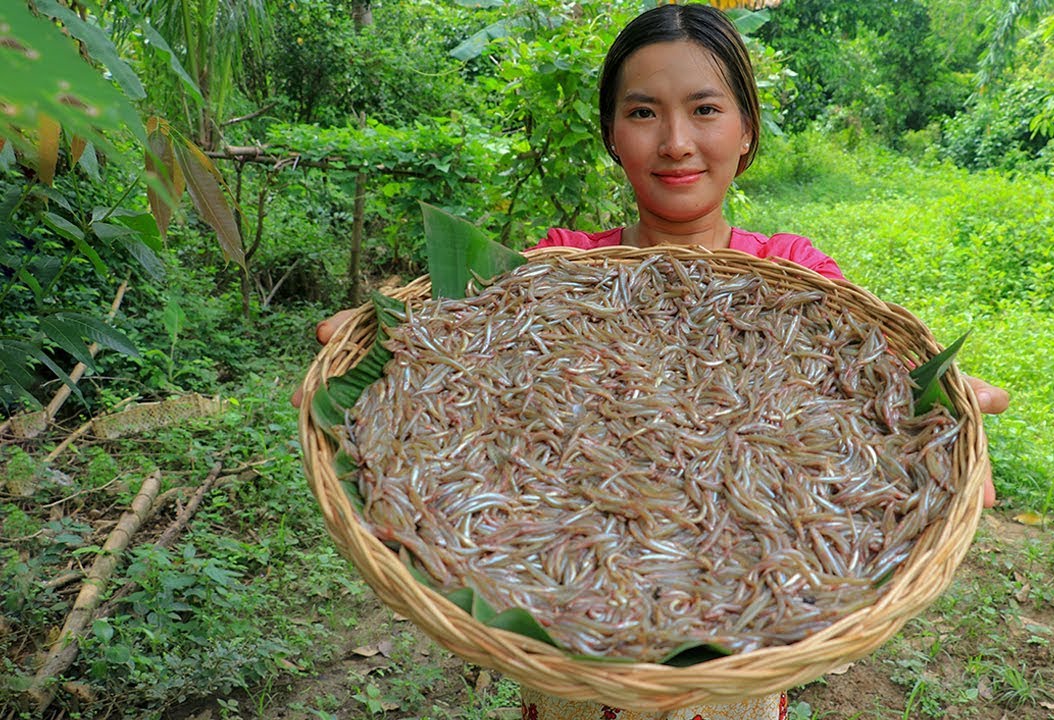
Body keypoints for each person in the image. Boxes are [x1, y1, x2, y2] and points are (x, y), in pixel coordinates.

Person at [295, 5, 1009, 718]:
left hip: (731, 676)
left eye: (704, 109)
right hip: (573, 666)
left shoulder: (798, 278)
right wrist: (382, 346)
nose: (675, 143)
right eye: (643, 113)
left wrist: (940, 413)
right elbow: (467, 357)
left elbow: (865, 385)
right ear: (611, 132)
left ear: (746, 128)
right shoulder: (562, 269)